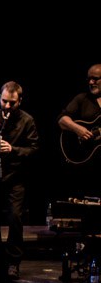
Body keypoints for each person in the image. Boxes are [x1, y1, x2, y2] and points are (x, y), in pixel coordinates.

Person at [0, 81, 39, 281]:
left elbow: (34, 150)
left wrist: (13, 150)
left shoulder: (28, 121)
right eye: (4, 102)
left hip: (16, 178)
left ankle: (13, 263)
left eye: (12, 103)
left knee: (15, 218)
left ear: (20, 101)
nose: (7, 107)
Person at [56, 64, 100, 196]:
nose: (91, 82)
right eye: (89, 79)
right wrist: (78, 129)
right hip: (85, 165)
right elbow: (61, 119)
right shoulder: (82, 98)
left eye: (95, 79)